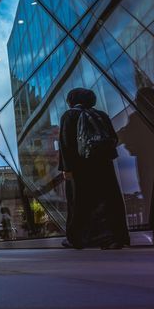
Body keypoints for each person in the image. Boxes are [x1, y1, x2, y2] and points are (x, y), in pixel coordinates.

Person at [58, 87, 130, 249]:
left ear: (71, 100)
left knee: (79, 202)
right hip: (103, 165)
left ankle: (77, 238)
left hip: (80, 167)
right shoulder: (101, 115)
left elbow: (66, 144)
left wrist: (66, 168)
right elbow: (113, 138)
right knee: (108, 200)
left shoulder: (69, 115)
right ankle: (114, 237)